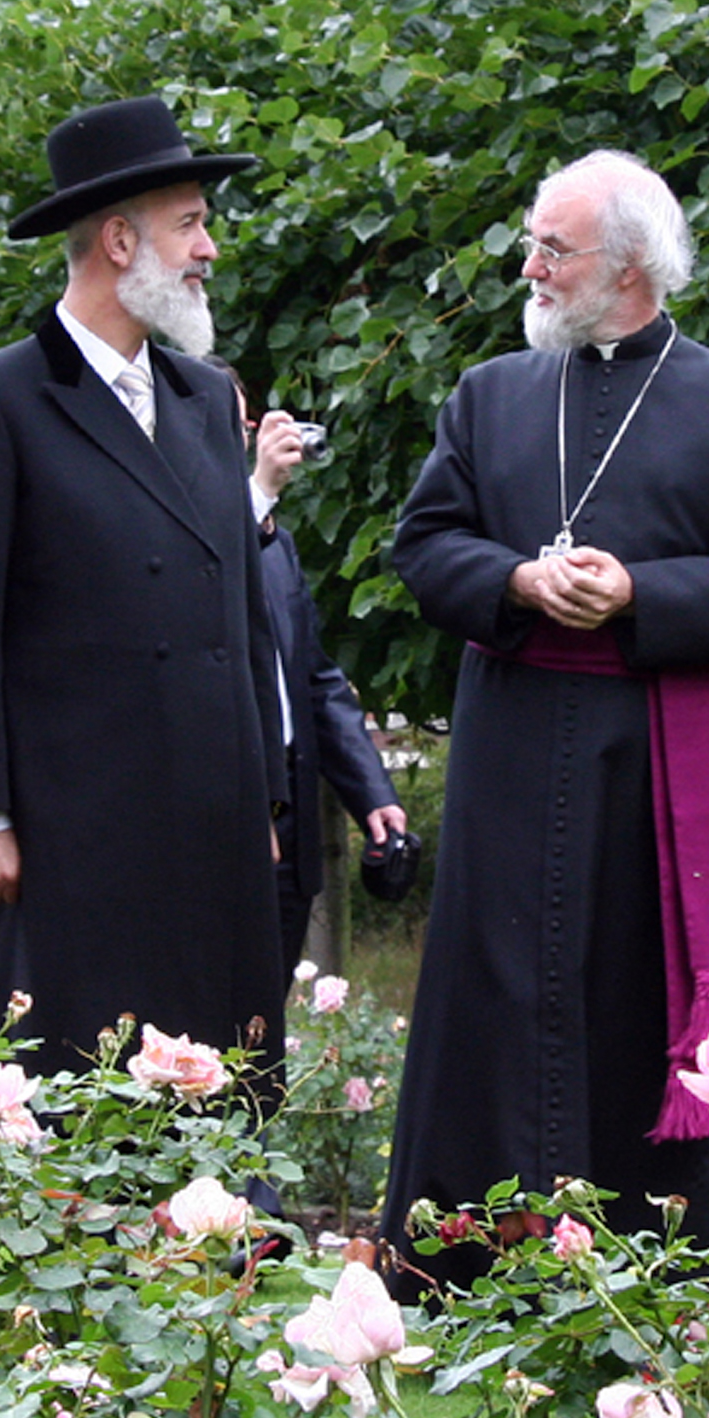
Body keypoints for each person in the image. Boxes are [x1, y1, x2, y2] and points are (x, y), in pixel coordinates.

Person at [381, 149, 709, 1289]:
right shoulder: (491, 394)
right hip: (510, 744)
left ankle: (654, 1250)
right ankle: (465, 1255)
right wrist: (519, 583)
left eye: (553, 248)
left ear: (629, 265)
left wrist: (640, 594)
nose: (530, 265)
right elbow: (422, 546)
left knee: (632, 984)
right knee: (499, 984)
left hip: (648, 762)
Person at [0, 95, 289, 1071]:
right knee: (84, 1088)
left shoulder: (208, 397)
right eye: (190, 223)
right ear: (122, 240)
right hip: (76, 826)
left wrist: (263, 797)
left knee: (219, 1084)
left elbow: (241, 613)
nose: (209, 246)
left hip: (211, 811)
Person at [203, 355, 410, 980]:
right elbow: (202, 588)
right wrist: (259, 488)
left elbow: (316, 683)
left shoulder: (276, 544)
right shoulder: (177, 543)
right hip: (215, 818)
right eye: (224, 422)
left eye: (242, 425)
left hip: (289, 823)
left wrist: (370, 794)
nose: (241, 439)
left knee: (264, 1033)